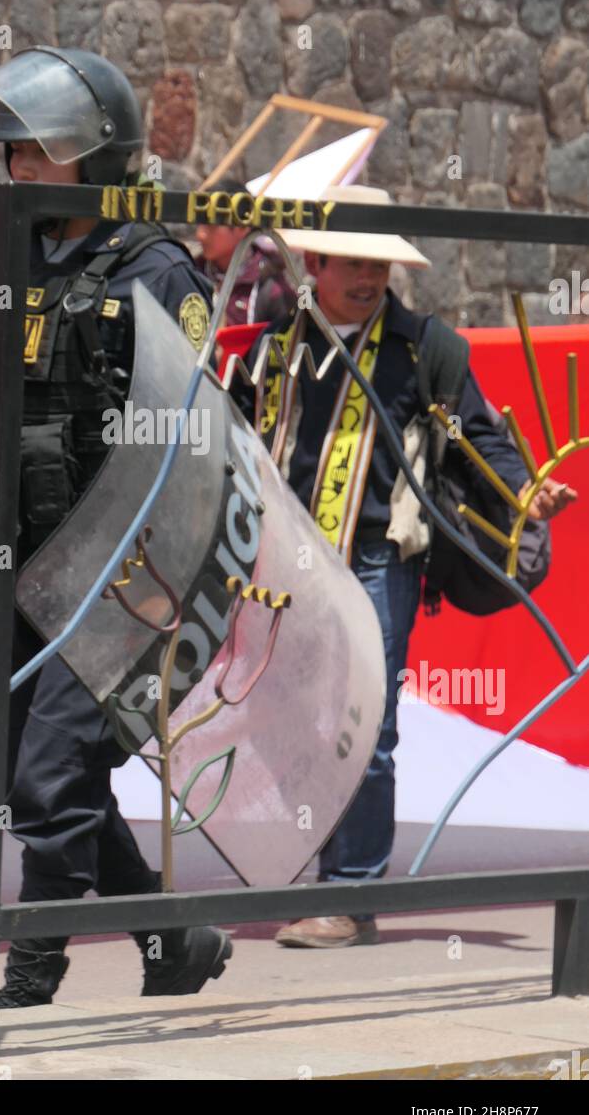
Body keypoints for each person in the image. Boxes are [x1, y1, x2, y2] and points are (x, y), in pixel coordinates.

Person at [0, 45, 232, 1007]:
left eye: (37, 151)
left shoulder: (158, 269)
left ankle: (33, 959)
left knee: (55, 772)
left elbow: (190, 437)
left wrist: (155, 569)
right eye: (10, 153)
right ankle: (173, 942)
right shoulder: (8, 267)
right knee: (20, 776)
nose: (16, 169)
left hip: (119, 573)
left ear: (98, 156)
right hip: (19, 562)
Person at [245, 184, 576, 948]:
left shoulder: (426, 349)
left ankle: (350, 896)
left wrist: (524, 490)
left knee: (366, 722)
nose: (368, 278)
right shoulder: (276, 346)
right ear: (315, 260)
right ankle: (320, 863)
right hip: (287, 566)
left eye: (380, 263)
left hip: (376, 560)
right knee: (290, 716)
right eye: (353, 261)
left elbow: (479, 439)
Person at [195, 175, 297, 326]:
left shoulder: (272, 289)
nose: (200, 234)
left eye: (211, 226)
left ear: (242, 227)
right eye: (199, 224)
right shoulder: (193, 272)